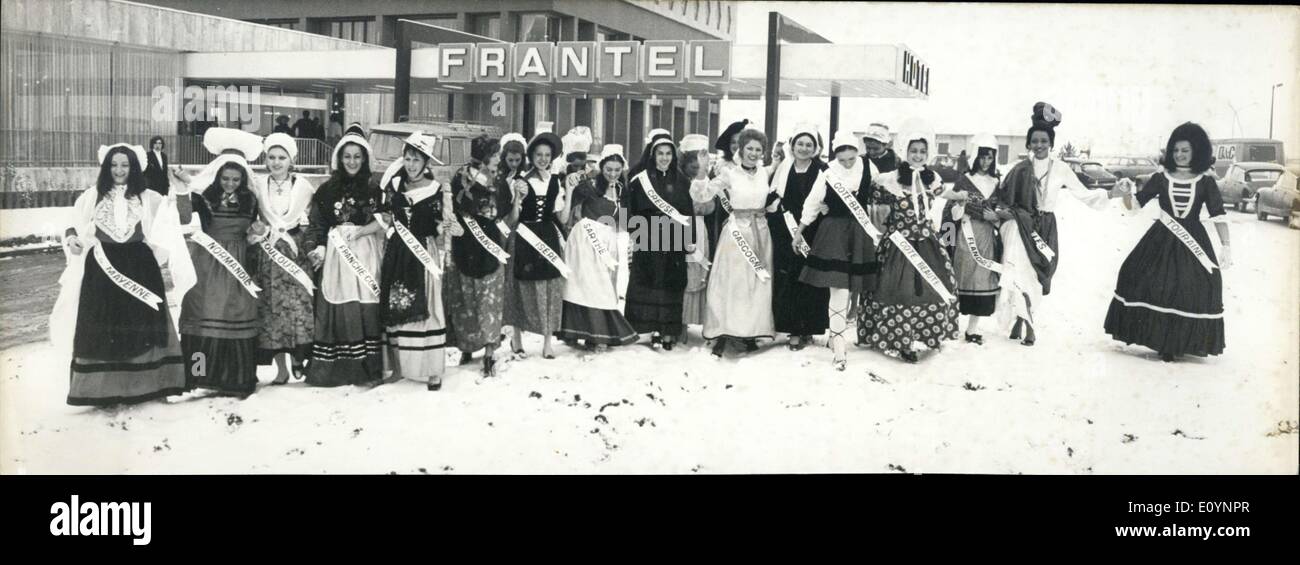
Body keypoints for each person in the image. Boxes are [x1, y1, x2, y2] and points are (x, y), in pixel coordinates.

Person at [49, 144, 195, 406]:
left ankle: (151, 385)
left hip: (139, 267)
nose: (119, 170)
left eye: (125, 165)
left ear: (134, 168)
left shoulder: (149, 197)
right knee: (103, 326)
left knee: (143, 325)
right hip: (102, 270)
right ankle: (102, 391)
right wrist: (72, 239)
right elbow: (72, 224)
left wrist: (182, 189)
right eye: (114, 165)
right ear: (106, 168)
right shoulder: (91, 196)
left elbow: (177, 221)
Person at [993, 102, 1128, 345]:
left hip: (1044, 228)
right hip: (1019, 227)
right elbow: (1002, 197)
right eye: (1034, 141)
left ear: (1051, 143)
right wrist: (1004, 213)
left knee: (1037, 276)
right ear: (1029, 144)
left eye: (1044, 141)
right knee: (1019, 270)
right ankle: (1028, 323)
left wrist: (1110, 194)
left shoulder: (1062, 169)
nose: (1039, 146)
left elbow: (1084, 193)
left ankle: (1022, 319)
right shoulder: (1020, 168)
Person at [1104, 122, 1228, 362]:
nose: (1179, 155)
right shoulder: (1161, 178)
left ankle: (1179, 342)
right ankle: (1160, 341)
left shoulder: (1205, 181)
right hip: (1160, 239)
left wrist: (1226, 245)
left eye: (1185, 150)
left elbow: (1218, 214)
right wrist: (1127, 192)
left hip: (1193, 240)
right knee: (1139, 276)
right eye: (1176, 150)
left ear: (1197, 151)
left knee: (1197, 286)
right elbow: (1135, 207)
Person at [856, 120, 967, 363]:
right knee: (899, 289)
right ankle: (901, 339)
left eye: (922, 151)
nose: (918, 155)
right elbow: (877, 210)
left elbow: (944, 193)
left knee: (936, 284)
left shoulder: (932, 178)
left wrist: (959, 196)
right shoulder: (890, 179)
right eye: (914, 151)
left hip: (927, 240)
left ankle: (930, 333)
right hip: (899, 242)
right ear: (905, 151)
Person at [178, 128, 267, 396]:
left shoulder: (251, 199)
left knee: (237, 315)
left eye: (236, 179)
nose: (230, 183)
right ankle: (198, 375)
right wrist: (183, 188)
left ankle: (236, 379)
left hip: (238, 264)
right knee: (203, 316)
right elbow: (183, 218)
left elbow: (256, 229)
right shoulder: (204, 197)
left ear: (243, 179)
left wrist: (257, 232)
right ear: (218, 177)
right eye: (226, 178)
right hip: (207, 263)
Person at [303, 128, 386, 386]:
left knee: (366, 302)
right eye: (347, 156)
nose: (352, 161)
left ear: (364, 159)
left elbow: (385, 220)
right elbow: (316, 223)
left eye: (357, 157)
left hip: (366, 252)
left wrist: (365, 231)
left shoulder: (375, 189)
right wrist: (315, 247)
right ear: (339, 158)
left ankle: (369, 369)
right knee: (340, 300)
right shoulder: (327, 190)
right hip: (338, 256)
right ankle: (339, 371)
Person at [792, 131, 879, 370]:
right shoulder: (827, 172)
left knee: (851, 287)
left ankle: (835, 333)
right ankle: (839, 346)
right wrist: (800, 230)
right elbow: (812, 202)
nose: (848, 163)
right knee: (838, 287)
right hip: (833, 234)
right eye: (843, 160)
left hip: (859, 234)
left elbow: (882, 194)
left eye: (851, 158)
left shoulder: (869, 168)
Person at [691, 126, 779, 358]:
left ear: (763, 152)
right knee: (733, 283)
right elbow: (702, 195)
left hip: (760, 231)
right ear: (741, 149)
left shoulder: (765, 173)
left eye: (758, 149)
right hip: (737, 233)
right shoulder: (729, 173)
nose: (753, 153)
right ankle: (725, 330)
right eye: (749, 148)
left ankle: (749, 331)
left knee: (756, 284)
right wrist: (701, 173)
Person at [378, 132, 456, 390]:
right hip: (398, 252)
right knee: (398, 305)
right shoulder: (396, 187)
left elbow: (440, 227)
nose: (411, 164)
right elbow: (386, 218)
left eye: (416, 160)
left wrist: (447, 228)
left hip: (424, 252)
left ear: (425, 163)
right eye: (408, 158)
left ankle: (433, 370)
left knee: (429, 308)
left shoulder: (437, 190)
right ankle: (399, 367)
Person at [445, 134, 516, 376]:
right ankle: (467, 347)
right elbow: (457, 207)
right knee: (466, 297)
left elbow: (503, 209)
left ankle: (488, 349)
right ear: (484, 157)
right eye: (495, 155)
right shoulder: (460, 177)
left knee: (488, 298)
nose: (498, 159)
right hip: (466, 242)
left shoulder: (499, 179)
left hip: (490, 242)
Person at [555, 144, 638, 350]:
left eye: (617, 170)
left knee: (603, 286)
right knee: (581, 284)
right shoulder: (589, 185)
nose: (612, 174)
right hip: (585, 239)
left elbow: (625, 222)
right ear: (602, 167)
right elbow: (567, 209)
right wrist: (570, 185)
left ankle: (597, 333)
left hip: (607, 241)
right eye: (608, 169)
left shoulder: (622, 190)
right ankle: (575, 331)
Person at [250, 132, 316, 384]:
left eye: (282, 157)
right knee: (272, 310)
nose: (276, 162)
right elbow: (253, 217)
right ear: (266, 159)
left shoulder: (303, 186)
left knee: (298, 308)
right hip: (268, 256)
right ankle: (281, 369)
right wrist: (256, 231)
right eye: (272, 157)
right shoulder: (258, 185)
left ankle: (298, 359)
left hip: (296, 255)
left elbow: (313, 218)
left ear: (291, 160)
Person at [624, 132, 696, 350]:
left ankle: (668, 332)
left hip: (673, 239)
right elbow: (630, 210)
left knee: (670, 284)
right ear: (653, 155)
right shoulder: (640, 180)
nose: (664, 158)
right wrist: (636, 234)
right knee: (648, 282)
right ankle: (650, 328)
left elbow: (687, 211)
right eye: (660, 154)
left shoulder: (682, 181)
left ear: (673, 157)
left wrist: (689, 239)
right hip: (648, 236)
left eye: (668, 154)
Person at [504, 131, 568, 359]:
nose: (543, 158)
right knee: (521, 288)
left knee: (550, 287)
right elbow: (511, 219)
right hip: (523, 236)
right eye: (538, 154)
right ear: (531, 155)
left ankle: (548, 341)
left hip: (547, 235)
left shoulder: (554, 181)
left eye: (547, 155)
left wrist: (568, 192)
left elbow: (561, 217)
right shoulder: (520, 181)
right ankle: (517, 338)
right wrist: (516, 199)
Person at [768, 123, 831, 351]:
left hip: (814, 231)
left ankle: (809, 327)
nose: (804, 148)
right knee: (790, 279)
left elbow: (832, 197)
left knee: (812, 280)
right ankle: (793, 329)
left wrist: (827, 206)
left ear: (815, 148)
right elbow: (769, 195)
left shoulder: (823, 170)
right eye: (800, 144)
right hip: (786, 231)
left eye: (809, 145)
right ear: (792, 145)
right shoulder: (783, 168)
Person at [943, 134, 1003, 345]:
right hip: (965, 236)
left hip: (986, 237)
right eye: (983, 157)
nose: (986, 162)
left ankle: (972, 329)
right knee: (963, 276)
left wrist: (995, 217)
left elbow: (1000, 208)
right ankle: (951, 326)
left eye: (990, 158)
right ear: (975, 157)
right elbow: (949, 211)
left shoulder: (996, 181)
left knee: (982, 280)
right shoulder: (964, 180)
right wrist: (948, 237)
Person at [678, 134, 713, 336]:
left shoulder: (706, 180)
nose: (696, 166)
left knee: (698, 271)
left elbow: (709, 206)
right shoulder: (679, 181)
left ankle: (692, 319)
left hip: (699, 229)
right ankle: (680, 322)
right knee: (683, 271)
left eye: (699, 162)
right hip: (681, 228)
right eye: (692, 161)